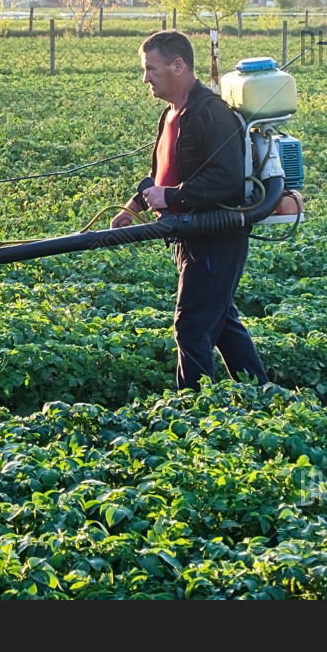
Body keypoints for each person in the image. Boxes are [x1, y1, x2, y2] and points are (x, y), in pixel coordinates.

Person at [110, 30, 270, 390]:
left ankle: (196, 412)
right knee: (223, 323)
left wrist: (173, 196)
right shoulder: (171, 114)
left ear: (178, 65)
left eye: (151, 68)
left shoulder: (210, 113)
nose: (145, 78)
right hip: (189, 235)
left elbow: (226, 178)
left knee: (192, 327)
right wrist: (135, 206)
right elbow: (161, 173)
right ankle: (263, 394)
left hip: (216, 237)